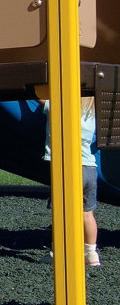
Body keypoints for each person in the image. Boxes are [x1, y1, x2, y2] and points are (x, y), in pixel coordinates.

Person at [42, 98, 101, 266]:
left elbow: (38, 98)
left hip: (66, 166)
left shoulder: (60, 108)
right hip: (89, 167)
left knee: (61, 212)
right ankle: (91, 254)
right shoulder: (92, 111)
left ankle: (58, 253)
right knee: (87, 213)